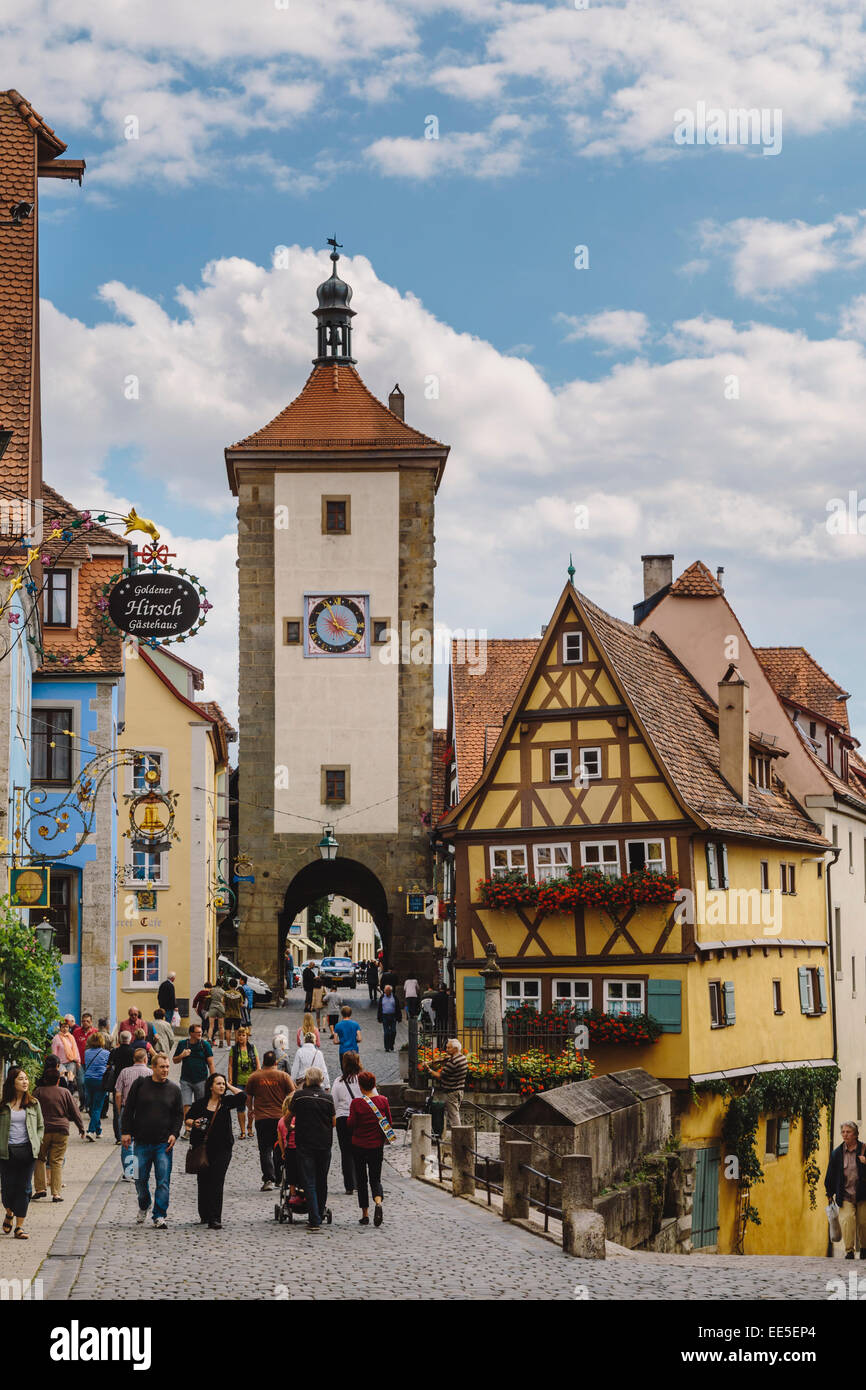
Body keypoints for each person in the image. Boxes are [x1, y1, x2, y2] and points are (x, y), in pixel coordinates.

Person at [121, 1050, 183, 1229]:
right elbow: (128, 1109)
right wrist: (126, 1132)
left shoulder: (174, 1089)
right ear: (153, 1067)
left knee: (163, 1180)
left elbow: (179, 1114)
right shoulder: (141, 1085)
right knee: (139, 1179)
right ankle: (144, 1204)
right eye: (162, 1067)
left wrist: (175, 1133)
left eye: (167, 1067)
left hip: (163, 1144)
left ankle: (159, 1215)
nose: (165, 1070)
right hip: (141, 1142)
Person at [185, 1073, 246, 1229]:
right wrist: (195, 1123)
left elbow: (243, 1097)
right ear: (210, 1086)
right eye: (218, 1083)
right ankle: (204, 1214)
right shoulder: (200, 1104)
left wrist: (230, 1085)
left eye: (223, 1084)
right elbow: (188, 1119)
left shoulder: (226, 1102)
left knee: (217, 1181)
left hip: (223, 1148)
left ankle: (215, 1218)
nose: (222, 1086)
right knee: (203, 1181)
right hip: (203, 1148)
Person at [0, 1066, 44, 1239]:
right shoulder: (3, 1106)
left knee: (24, 1189)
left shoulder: (33, 1104)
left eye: (26, 1079)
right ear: (12, 1082)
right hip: (7, 1153)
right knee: (8, 1189)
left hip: (27, 1151)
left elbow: (41, 1126)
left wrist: (38, 1142)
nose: (25, 1082)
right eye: (20, 1079)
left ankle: (19, 1227)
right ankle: (9, 1213)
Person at [32, 1062, 84, 1203]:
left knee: (39, 1158)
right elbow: (75, 1111)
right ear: (58, 1080)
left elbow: (30, 1111)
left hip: (42, 1130)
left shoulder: (38, 1092)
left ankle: (40, 1188)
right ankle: (56, 1193)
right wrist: (81, 1128)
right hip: (61, 1129)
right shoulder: (65, 1092)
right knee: (57, 1161)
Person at [347, 1069, 393, 1227]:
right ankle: (378, 1202)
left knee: (361, 1180)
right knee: (375, 1178)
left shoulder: (356, 1103)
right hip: (376, 1146)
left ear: (360, 1086)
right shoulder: (383, 1101)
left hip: (359, 1145)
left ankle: (365, 1214)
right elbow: (388, 1123)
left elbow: (351, 1124)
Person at [291, 1066, 335, 1231]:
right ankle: (319, 1212)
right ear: (321, 1080)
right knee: (321, 1180)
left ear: (307, 1080)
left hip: (305, 1143)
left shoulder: (299, 1096)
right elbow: (334, 1121)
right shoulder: (328, 1098)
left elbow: (289, 1116)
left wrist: (290, 1127)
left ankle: (314, 1217)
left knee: (309, 1180)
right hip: (324, 1143)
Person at [245, 1051, 294, 1192]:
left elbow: (248, 1096)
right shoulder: (283, 1076)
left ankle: (268, 1179)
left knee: (264, 1149)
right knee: (279, 1148)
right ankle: (280, 1178)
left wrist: (251, 1109)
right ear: (275, 1063)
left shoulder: (255, 1076)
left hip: (262, 1118)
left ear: (263, 1061)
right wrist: (288, 1111)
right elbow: (292, 1094)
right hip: (280, 1118)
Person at [825, 1120, 866, 1258]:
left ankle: (865, 1249)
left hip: (862, 1194)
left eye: (848, 1132)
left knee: (863, 1223)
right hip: (845, 1194)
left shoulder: (864, 1150)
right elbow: (830, 1174)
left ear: (855, 1134)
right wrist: (829, 1194)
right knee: (847, 1221)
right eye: (843, 1132)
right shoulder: (836, 1154)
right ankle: (849, 1251)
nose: (845, 1135)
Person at [115, 1048, 152, 1180]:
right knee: (142, 1142)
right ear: (145, 1059)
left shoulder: (125, 1072)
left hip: (127, 1109)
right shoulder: (150, 1073)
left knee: (127, 1142)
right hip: (145, 1111)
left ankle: (130, 1172)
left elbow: (118, 1094)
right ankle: (140, 1170)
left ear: (133, 1059)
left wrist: (120, 1111)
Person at [422, 1038, 468, 1134]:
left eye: (449, 1048)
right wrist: (435, 1061)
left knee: (453, 1116)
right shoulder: (462, 1058)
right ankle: (457, 1134)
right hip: (459, 1090)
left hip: (452, 1092)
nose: (446, 1050)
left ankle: (458, 1136)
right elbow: (445, 1059)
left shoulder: (452, 1063)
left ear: (455, 1049)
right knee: (454, 1113)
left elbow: (440, 1075)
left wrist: (428, 1068)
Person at [331, 1052, 362, 1194]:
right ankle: (360, 1181)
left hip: (343, 1118)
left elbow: (334, 1103)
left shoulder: (338, 1082)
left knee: (346, 1152)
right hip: (360, 1118)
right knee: (360, 1150)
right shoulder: (363, 1079)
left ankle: (349, 1185)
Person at [172, 1023, 215, 1122]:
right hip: (185, 1080)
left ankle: (199, 1125)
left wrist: (213, 1079)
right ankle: (188, 1128)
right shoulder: (183, 1044)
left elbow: (211, 1064)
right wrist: (182, 1055)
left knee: (200, 1105)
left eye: (201, 1032)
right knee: (186, 1104)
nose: (200, 1034)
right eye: (198, 1032)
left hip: (201, 1080)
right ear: (191, 1033)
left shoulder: (205, 1045)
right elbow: (175, 1060)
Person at [227, 1027, 259, 1138]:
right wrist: (230, 1078)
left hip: (251, 1082)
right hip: (238, 1081)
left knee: (250, 1106)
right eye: (239, 1035)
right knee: (240, 1106)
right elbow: (230, 1065)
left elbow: (257, 1064)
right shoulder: (234, 1049)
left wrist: (258, 1077)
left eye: (243, 1035)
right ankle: (242, 1131)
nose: (241, 1037)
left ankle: (250, 1127)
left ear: (247, 1036)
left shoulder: (252, 1048)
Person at [82, 1032, 111, 1139]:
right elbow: (108, 1066)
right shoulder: (106, 1053)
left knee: (93, 1106)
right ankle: (91, 1131)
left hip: (88, 1079)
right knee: (98, 1107)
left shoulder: (86, 1052)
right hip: (100, 1080)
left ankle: (98, 1131)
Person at [277, 1094, 299, 1201]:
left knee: (291, 1172)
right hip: (301, 1149)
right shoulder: (300, 1119)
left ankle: (293, 1194)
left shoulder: (281, 1121)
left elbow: (280, 1140)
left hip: (289, 1150)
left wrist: (282, 1152)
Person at [51, 1018, 81, 1097]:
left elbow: (75, 1050)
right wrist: (55, 1065)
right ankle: (62, 1096)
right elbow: (54, 1053)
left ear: (69, 1028)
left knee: (70, 1080)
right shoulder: (56, 1038)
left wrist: (78, 1061)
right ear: (60, 1027)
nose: (65, 1029)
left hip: (71, 1062)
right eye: (63, 1027)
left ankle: (68, 1097)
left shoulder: (71, 1037)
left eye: (67, 1027)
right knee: (63, 1080)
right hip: (60, 1064)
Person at [377, 984, 402, 1052]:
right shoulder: (382, 997)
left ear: (391, 991)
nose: (387, 992)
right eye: (386, 991)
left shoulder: (394, 997)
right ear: (384, 991)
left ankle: (391, 1044)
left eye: (388, 991)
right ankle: (387, 1047)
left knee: (393, 1031)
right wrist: (379, 1018)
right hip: (385, 1016)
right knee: (387, 1032)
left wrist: (399, 1017)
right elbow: (379, 1008)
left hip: (393, 1016)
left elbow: (398, 1007)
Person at [223, 977, 244, 1046]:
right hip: (237, 1015)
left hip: (228, 1015)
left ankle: (228, 1045)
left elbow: (223, 1004)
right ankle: (236, 1045)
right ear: (236, 985)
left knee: (228, 1030)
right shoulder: (239, 994)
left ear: (229, 985)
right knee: (236, 1031)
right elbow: (241, 1004)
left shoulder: (226, 993)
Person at [207, 980, 226, 1047]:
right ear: (222, 984)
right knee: (221, 1026)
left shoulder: (212, 990)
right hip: (220, 1008)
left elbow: (209, 997)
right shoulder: (223, 992)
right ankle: (221, 1042)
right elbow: (224, 1001)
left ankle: (209, 1040)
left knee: (211, 1026)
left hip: (212, 1008)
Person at [432, 984, 450, 1049]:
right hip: (445, 1017)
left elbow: (433, 1008)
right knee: (445, 1032)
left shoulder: (435, 996)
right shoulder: (448, 997)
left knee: (439, 1032)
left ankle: (439, 1047)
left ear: (439, 988)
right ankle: (444, 1046)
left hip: (438, 1016)